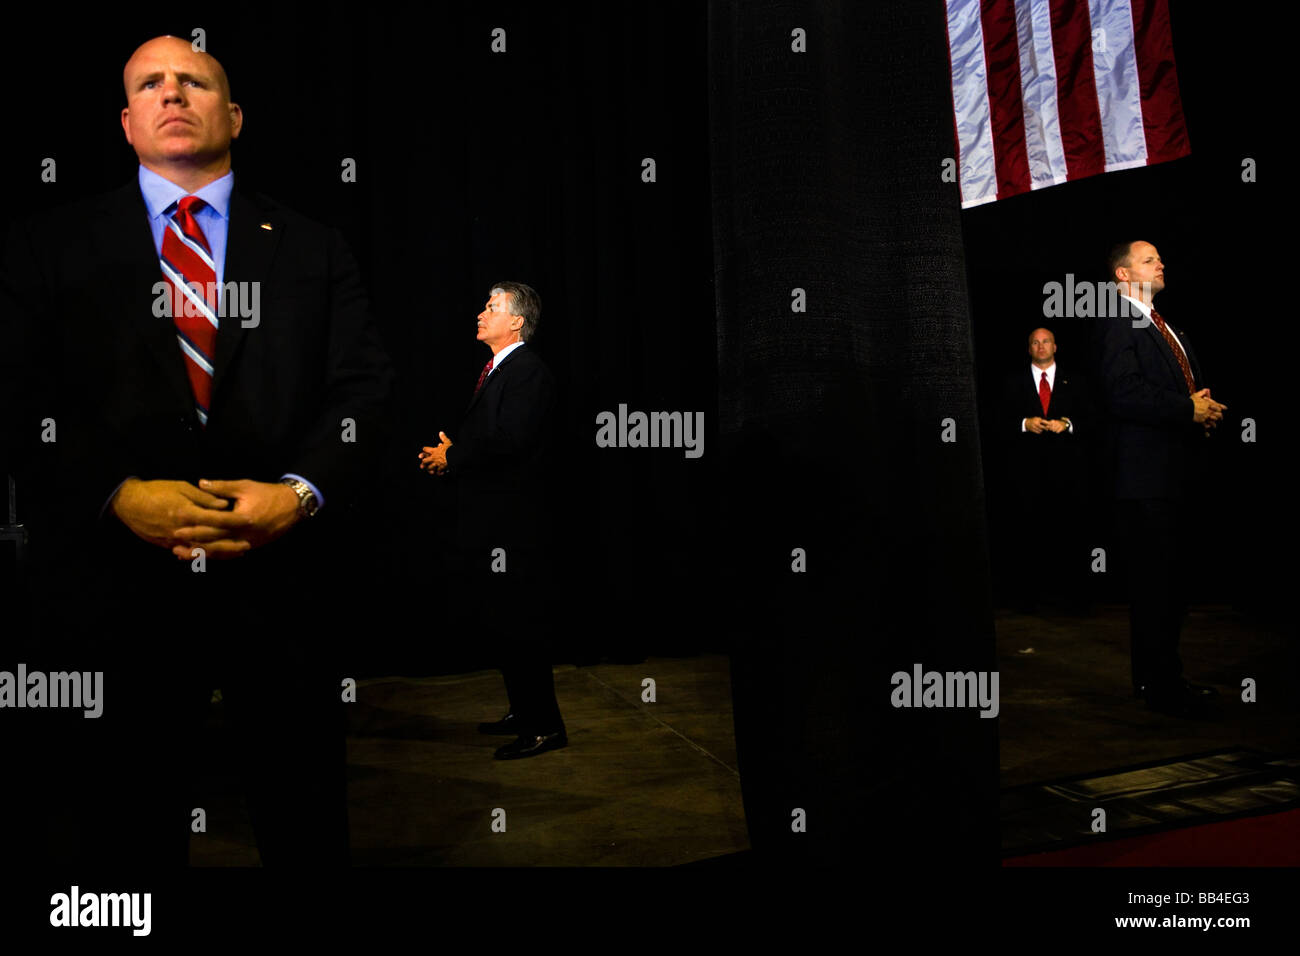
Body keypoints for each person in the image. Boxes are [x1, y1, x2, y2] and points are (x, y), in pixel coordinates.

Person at [0, 36, 394, 865]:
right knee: (118, 831)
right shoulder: (45, 243)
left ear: (235, 115)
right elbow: (20, 397)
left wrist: (299, 493)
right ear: (127, 121)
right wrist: (115, 492)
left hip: (283, 590)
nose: (172, 93)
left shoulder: (314, 246)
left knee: (306, 823)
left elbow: (364, 392)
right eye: (151, 83)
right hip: (110, 594)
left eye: (195, 81)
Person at [419, 282, 567, 759]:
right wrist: (450, 456)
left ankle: (545, 727)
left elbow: (512, 441)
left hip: (515, 528)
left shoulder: (528, 371)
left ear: (517, 321)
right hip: (492, 524)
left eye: (492, 306)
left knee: (521, 621)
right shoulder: (498, 370)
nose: (482, 312)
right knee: (503, 621)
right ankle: (522, 712)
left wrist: (453, 454)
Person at [1095, 240, 1226, 717]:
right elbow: (1123, 394)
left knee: (1173, 585)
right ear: (1124, 276)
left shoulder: (1170, 329)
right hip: (1145, 479)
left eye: (1160, 258)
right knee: (1156, 586)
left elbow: (1176, 394)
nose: (1161, 263)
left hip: (1176, 475)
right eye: (1149, 260)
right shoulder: (1119, 324)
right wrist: (1184, 408)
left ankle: (1164, 680)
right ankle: (1160, 687)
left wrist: (1201, 407)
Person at [999, 327, 1093, 612]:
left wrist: (1068, 424)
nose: (1041, 347)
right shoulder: (1011, 383)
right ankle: (1027, 599)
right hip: (1026, 477)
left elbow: (1095, 421)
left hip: (1068, 477)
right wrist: (1024, 424)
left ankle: (1072, 599)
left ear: (1055, 347)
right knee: (1027, 537)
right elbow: (993, 422)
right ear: (1029, 349)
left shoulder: (1077, 383)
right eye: (1035, 343)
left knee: (1069, 536)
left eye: (1046, 342)